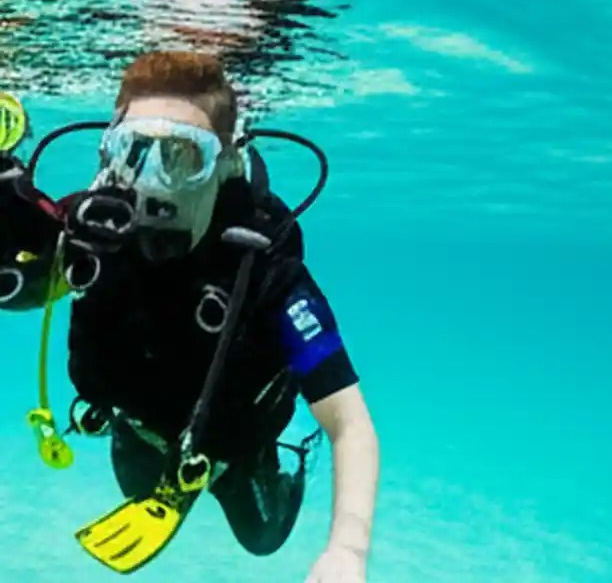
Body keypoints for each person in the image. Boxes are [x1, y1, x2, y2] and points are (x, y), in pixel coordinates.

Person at [0, 52, 379, 582]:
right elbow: (35, 277)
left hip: (236, 445)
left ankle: (276, 470)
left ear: (224, 165)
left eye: (182, 156)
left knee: (263, 540)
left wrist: (347, 551)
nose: (151, 182)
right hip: (139, 427)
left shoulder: (266, 272)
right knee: (137, 493)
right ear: (108, 157)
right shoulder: (96, 231)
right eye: (133, 152)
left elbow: (350, 423)